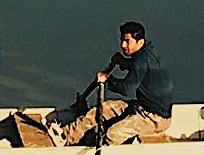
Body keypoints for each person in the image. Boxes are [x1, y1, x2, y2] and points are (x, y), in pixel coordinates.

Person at [45, 22, 173, 146]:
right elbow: (138, 71)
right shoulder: (144, 54)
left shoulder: (141, 61)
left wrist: (107, 79)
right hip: (140, 107)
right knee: (103, 109)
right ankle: (66, 136)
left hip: (155, 118)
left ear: (140, 42)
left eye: (127, 41)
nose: (123, 45)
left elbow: (126, 89)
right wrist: (123, 62)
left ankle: (124, 146)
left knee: (112, 134)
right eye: (122, 40)